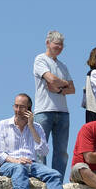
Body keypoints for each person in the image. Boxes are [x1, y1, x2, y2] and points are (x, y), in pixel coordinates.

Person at [0, 93, 75, 189]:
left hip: (32, 164)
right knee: (19, 169)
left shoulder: (36, 127)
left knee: (54, 174)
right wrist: (15, 160)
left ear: (29, 109)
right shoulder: (3, 125)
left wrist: (31, 126)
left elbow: (44, 150)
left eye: (22, 107)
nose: (18, 110)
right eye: (16, 106)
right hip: (10, 164)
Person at [32, 31, 74, 178]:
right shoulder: (40, 59)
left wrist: (58, 85)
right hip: (44, 110)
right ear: (47, 43)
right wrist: (64, 84)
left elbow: (72, 89)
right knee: (40, 148)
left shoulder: (63, 66)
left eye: (61, 44)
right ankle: (41, 180)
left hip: (63, 112)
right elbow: (50, 79)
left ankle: (57, 181)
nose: (59, 47)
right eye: (56, 43)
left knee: (61, 151)